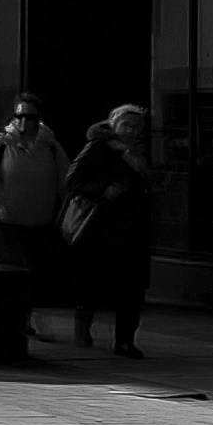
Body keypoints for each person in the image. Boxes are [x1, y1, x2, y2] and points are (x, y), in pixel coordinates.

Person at [63, 106, 156, 356]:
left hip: (134, 229)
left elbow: (154, 182)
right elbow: (73, 181)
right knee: (95, 282)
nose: (131, 131)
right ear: (114, 125)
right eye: (126, 125)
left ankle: (125, 341)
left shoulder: (142, 152)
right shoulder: (98, 148)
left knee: (132, 289)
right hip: (102, 228)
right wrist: (104, 189)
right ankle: (83, 325)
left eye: (136, 127)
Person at [0, 94, 68, 335]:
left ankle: (26, 316)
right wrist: (2, 198)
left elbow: (64, 179)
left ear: (39, 119)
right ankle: (18, 318)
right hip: (8, 219)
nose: (24, 122)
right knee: (19, 268)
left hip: (40, 218)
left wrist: (64, 207)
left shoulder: (49, 145)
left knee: (34, 271)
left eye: (30, 116)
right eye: (19, 116)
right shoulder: (2, 142)